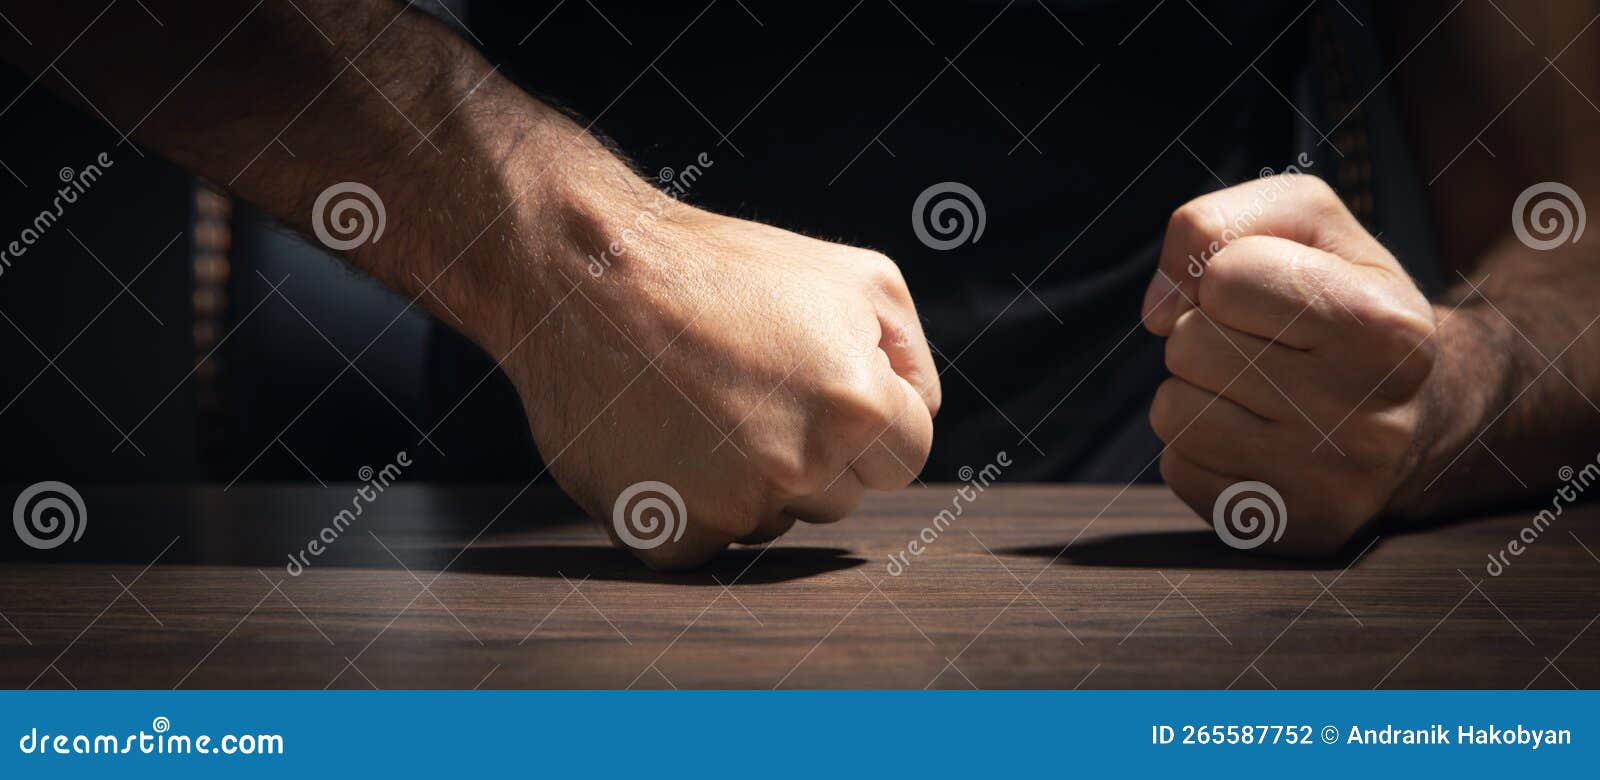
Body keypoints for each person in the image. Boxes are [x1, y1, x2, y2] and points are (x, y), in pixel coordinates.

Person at [3, 1, 1596, 568]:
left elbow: (1574, 216)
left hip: (1176, 567)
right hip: (541, 560)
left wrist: (1442, 393)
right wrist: (568, 257)